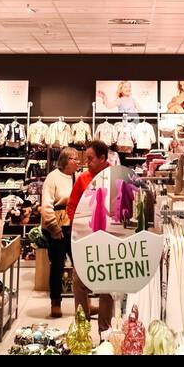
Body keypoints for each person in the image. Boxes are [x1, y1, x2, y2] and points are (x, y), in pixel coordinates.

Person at [67, 140, 115, 332]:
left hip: (109, 240)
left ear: (103, 158)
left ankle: (105, 331)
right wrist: (76, 226)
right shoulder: (82, 179)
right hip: (84, 240)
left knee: (107, 286)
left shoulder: (115, 177)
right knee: (79, 282)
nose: (86, 162)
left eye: (90, 158)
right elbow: (72, 205)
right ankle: (82, 329)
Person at [41, 146, 79, 318]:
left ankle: (83, 302)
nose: (78, 161)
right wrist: (53, 226)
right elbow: (46, 205)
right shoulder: (53, 178)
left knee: (80, 264)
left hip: (75, 225)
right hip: (58, 225)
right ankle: (55, 302)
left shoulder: (77, 177)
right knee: (57, 265)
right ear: (65, 160)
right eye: (74, 158)